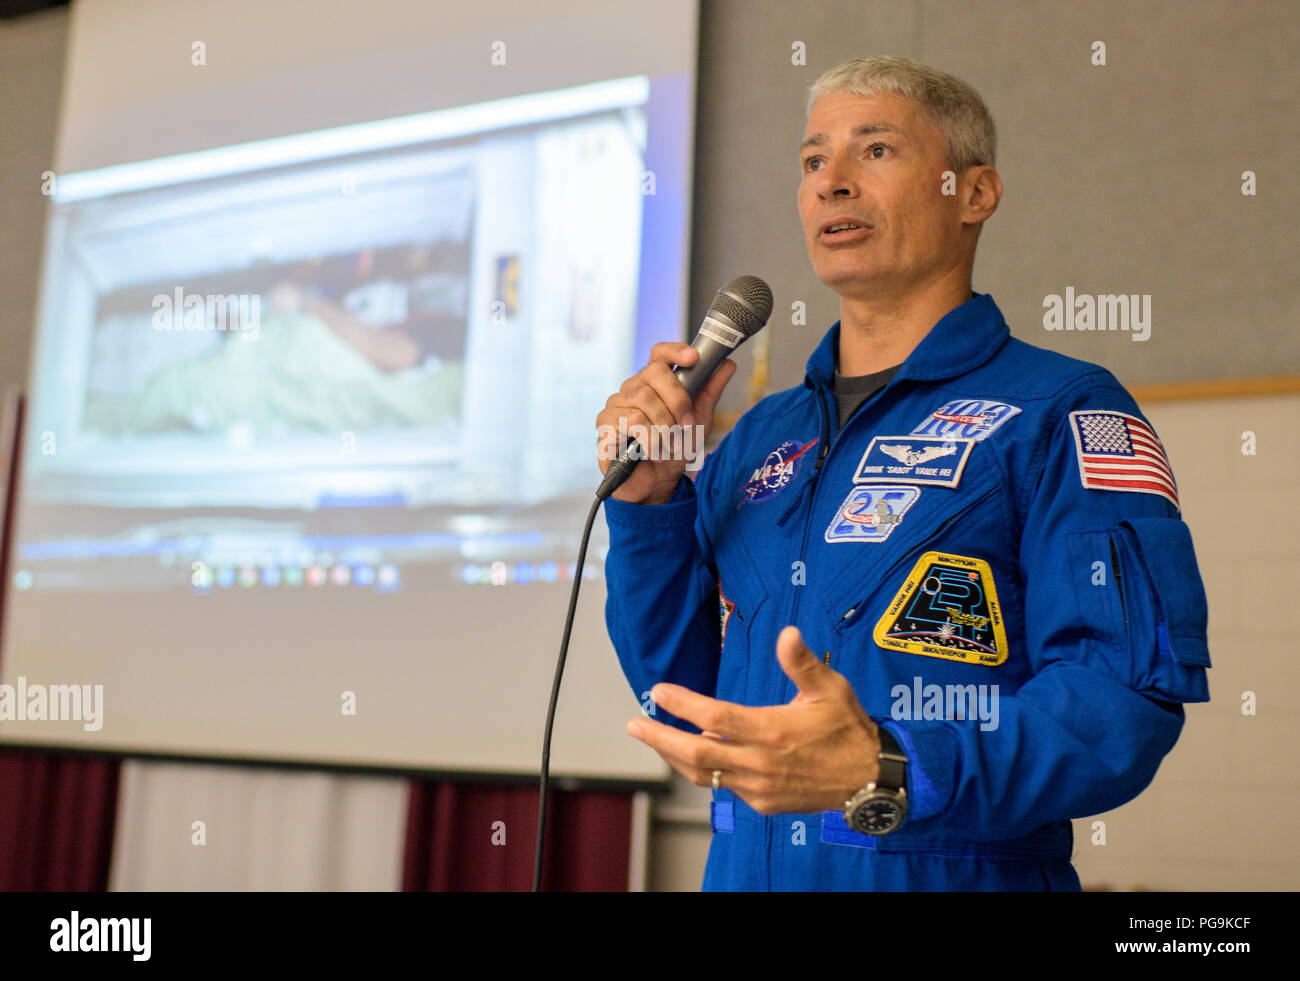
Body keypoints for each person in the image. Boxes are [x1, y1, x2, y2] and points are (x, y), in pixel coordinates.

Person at [596, 56, 1211, 891]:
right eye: (814, 160)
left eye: (875, 150)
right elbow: (684, 698)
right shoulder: (758, 438)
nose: (832, 183)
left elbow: (1119, 710)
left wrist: (889, 765)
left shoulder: (1062, 410)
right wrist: (648, 503)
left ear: (976, 192)